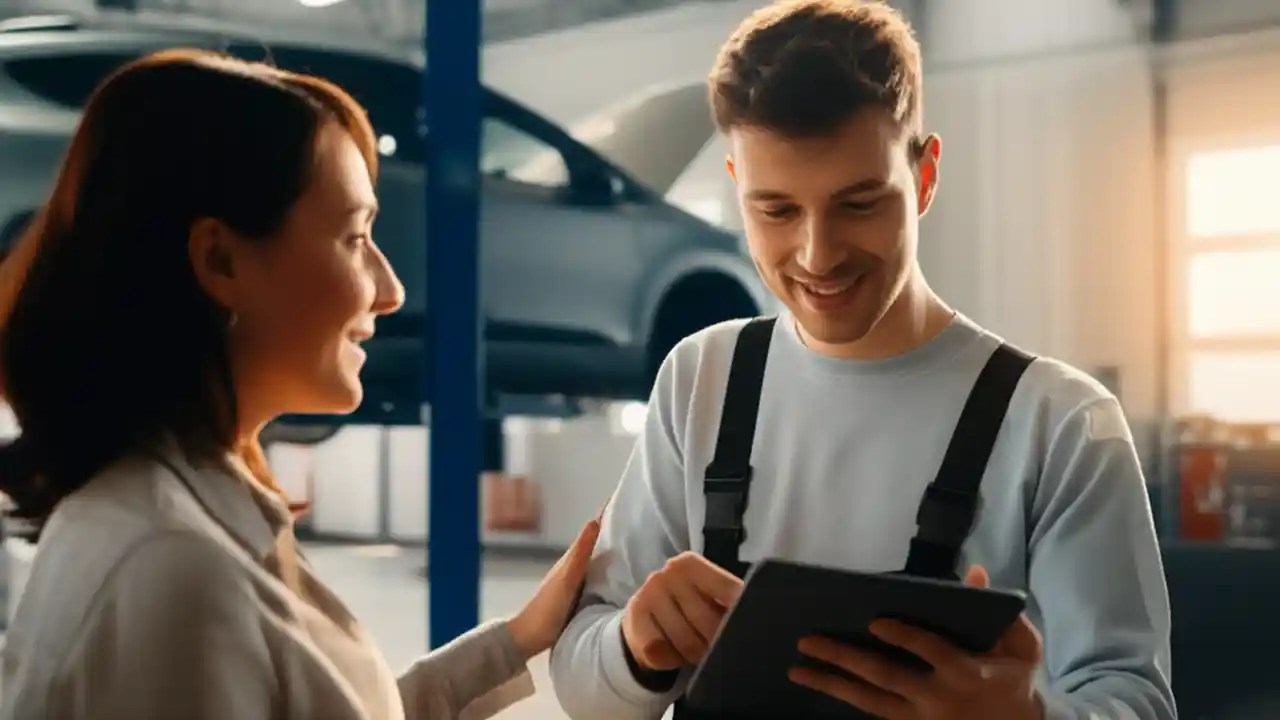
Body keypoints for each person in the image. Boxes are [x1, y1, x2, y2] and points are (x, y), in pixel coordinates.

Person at [549, 2, 1176, 719]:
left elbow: (1137, 699)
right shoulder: (700, 381)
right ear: (736, 185)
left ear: (925, 176)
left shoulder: (1062, 425)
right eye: (776, 211)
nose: (818, 255)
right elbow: (582, 687)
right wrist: (634, 646)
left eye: (859, 204)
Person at [0, 49, 599, 719]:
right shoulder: (172, 570)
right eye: (355, 238)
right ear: (221, 261)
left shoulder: (174, 518)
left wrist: (520, 639)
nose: (390, 291)